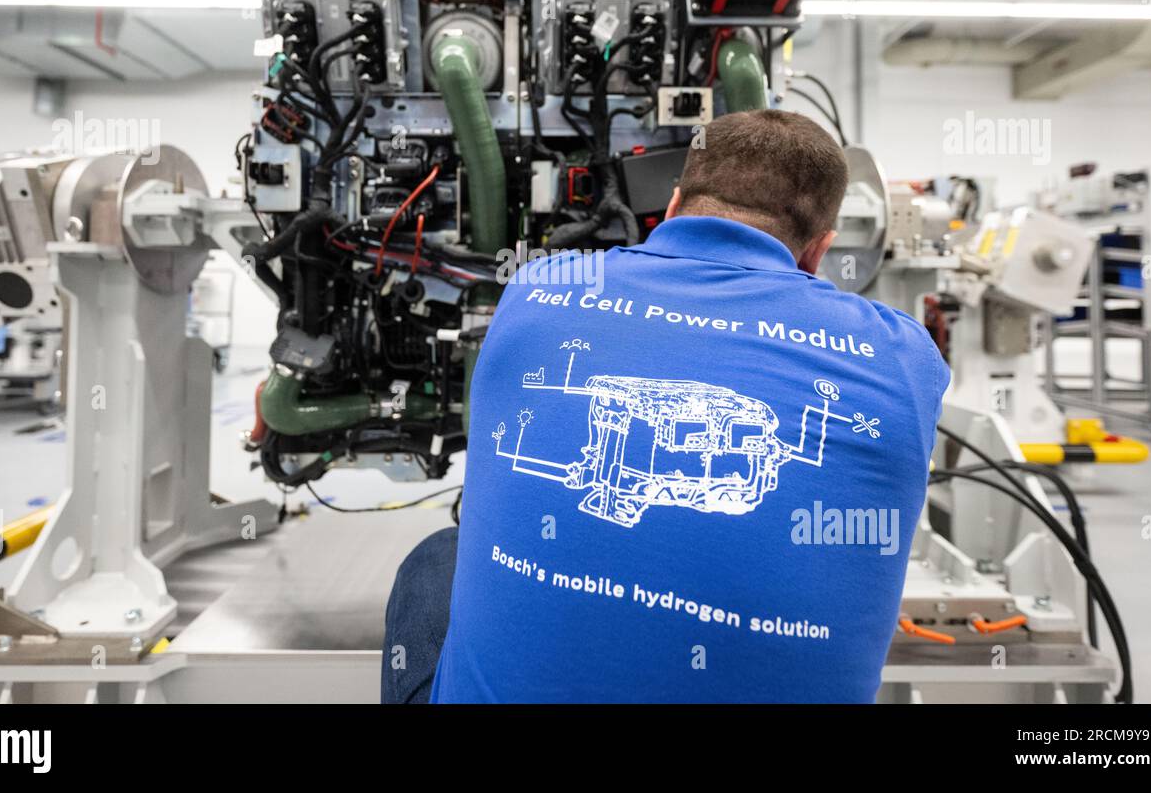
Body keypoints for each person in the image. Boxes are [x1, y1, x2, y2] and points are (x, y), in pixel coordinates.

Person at [382, 109, 949, 703]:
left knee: (436, 557)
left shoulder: (538, 286)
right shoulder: (904, 356)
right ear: (819, 250)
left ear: (673, 205)